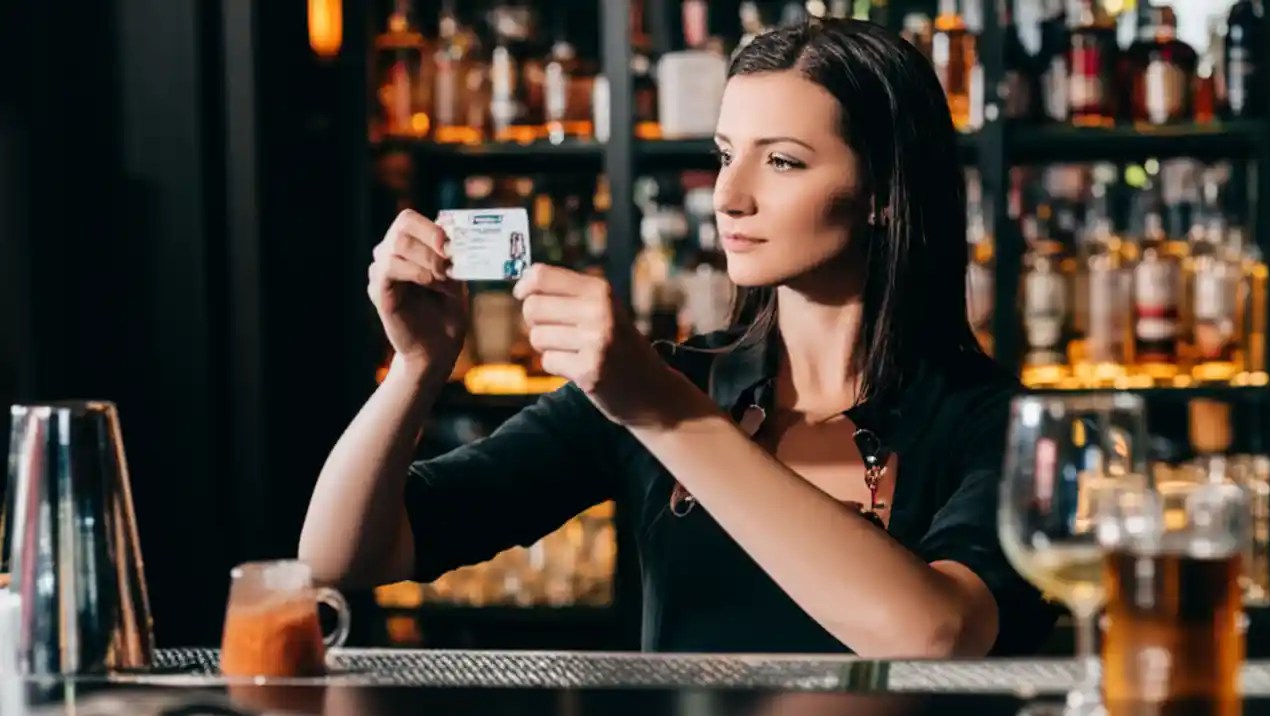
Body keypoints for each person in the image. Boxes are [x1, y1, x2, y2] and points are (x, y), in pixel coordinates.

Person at [300, 18, 1057, 657]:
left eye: (783, 161)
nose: (729, 195)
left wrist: (663, 411)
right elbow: (346, 555)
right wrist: (416, 369)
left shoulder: (992, 423)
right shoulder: (665, 380)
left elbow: (935, 631)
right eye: (726, 155)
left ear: (882, 197)